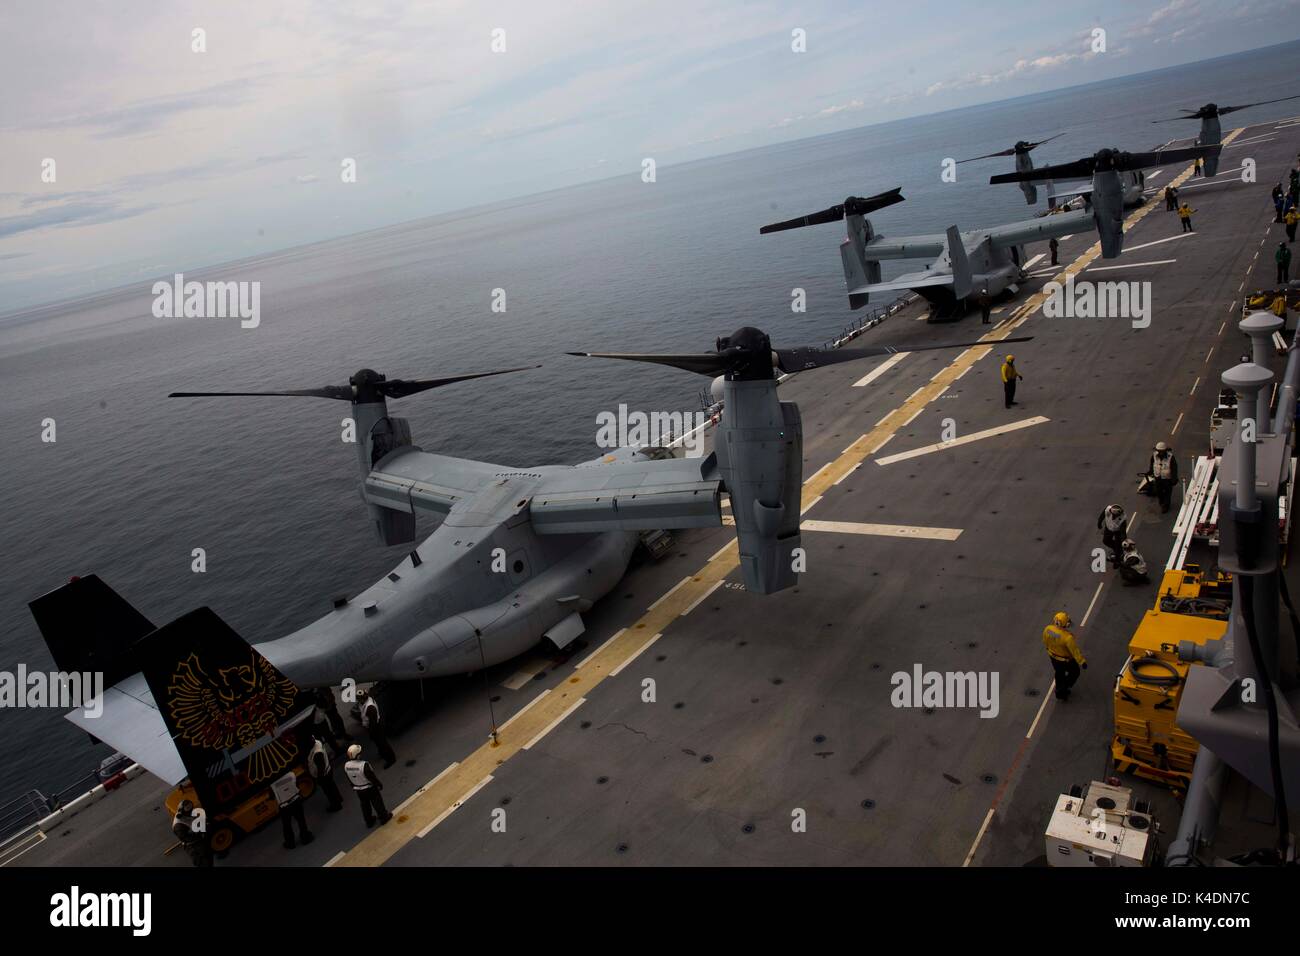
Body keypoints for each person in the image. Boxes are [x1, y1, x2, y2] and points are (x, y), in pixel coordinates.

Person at [344, 743, 392, 828]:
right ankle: (384, 817)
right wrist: (379, 784)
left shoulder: (347, 765)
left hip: (359, 790)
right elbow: (371, 777)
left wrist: (353, 785)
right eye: (360, 753)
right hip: (369, 788)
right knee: (377, 802)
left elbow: (349, 778)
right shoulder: (364, 765)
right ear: (357, 755)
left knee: (365, 805)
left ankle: (369, 821)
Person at [1042, 611, 1086, 701]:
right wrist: (1082, 662)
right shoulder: (1067, 637)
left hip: (1053, 657)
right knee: (1075, 672)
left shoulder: (1048, 629)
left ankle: (1059, 689)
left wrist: (1049, 649)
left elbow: (1045, 640)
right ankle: (1064, 688)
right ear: (1065, 624)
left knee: (1059, 673)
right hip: (1065, 660)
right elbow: (1074, 651)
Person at [272, 770, 314, 850]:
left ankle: (290, 843)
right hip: (295, 800)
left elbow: (272, 796)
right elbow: (296, 785)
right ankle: (305, 838)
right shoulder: (290, 774)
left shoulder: (272, 783)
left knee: (287, 825)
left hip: (284, 806)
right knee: (301, 820)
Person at [359, 690, 397, 768]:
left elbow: (373, 723)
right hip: (374, 726)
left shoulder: (370, 708)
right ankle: (382, 753)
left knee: (382, 743)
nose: (359, 700)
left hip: (376, 728)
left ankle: (391, 759)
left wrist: (371, 733)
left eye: (360, 699)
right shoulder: (366, 702)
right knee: (380, 743)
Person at [171, 799, 213, 867]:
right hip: (193, 846)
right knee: (203, 863)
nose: (191, 812)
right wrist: (201, 832)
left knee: (208, 856)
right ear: (182, 811)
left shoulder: (187, 813)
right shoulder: (178, 826)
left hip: (199, 840)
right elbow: (186, 838)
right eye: (189, 812)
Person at [308, 734, 344, 812]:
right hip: (328, 770)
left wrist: (319, 779)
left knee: (329, 792)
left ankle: (336, 805)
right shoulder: (317, 742)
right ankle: (339, 799)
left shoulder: (317, 753)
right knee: (332, 787)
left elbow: (321, 767)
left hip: (324, 775)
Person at [1148, 441, 1179, 514]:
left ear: (1165, 451)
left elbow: (1174, 468)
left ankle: (1166, 506)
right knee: (1158, 491)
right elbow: (1152, 463)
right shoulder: (1154, 455)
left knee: (1167, 493)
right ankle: (1162, 503)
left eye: (1161, 451)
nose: (1160, 452)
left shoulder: (1170, 457)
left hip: (1167, 479)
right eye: (1158, 451)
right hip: (1158, 477)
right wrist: (1150, 471)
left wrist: (1174, 479)